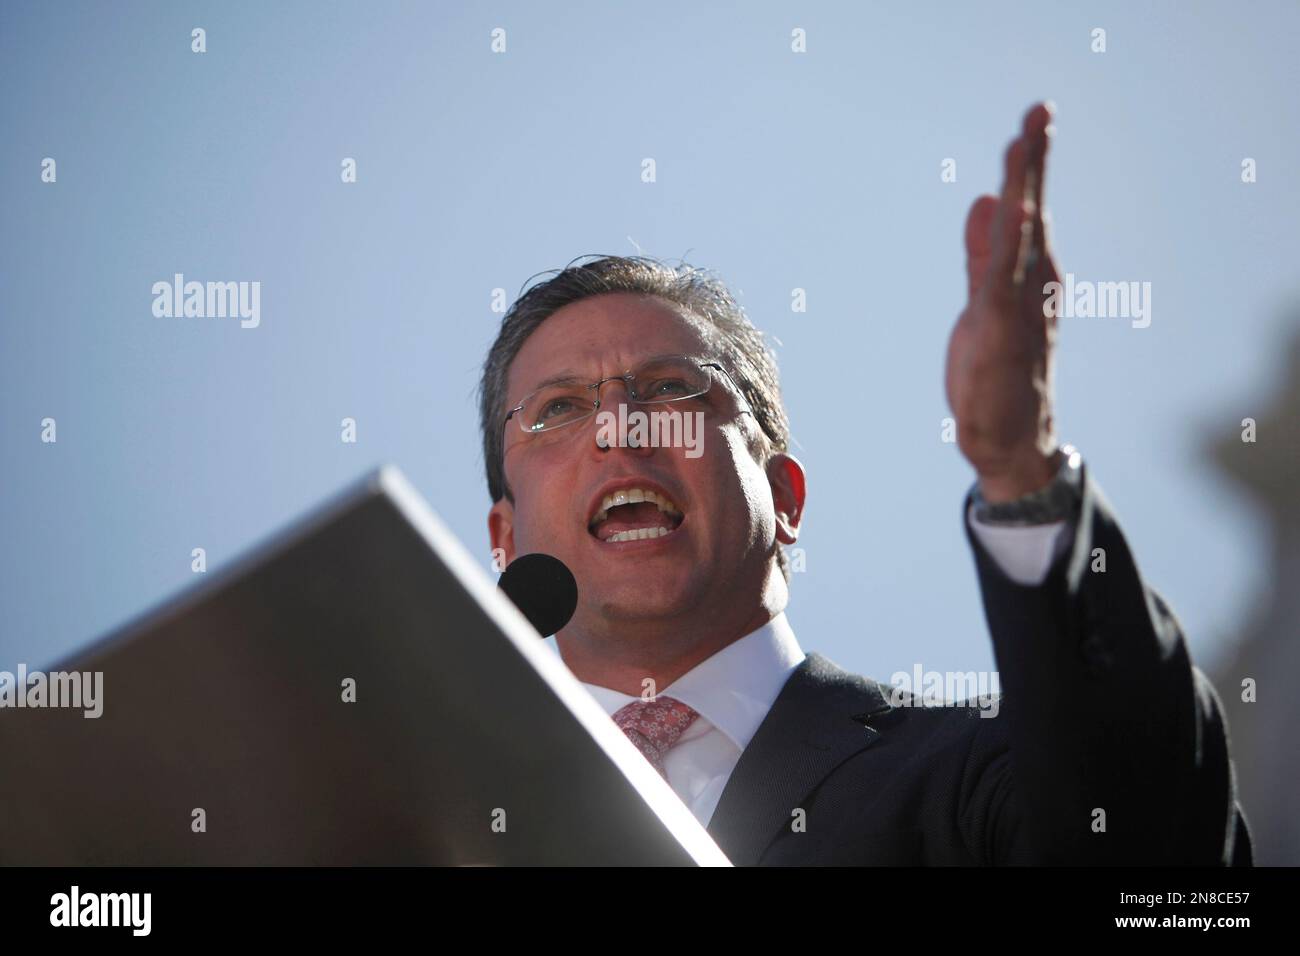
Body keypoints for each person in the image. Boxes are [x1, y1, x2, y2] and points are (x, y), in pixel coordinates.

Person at [477, 102, 1252, 865]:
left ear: (785, 499)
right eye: (561, 408)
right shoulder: (436, 818)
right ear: (504, 542)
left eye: (672, 388)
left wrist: (1022, 471)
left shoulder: (973, 773)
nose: (622, 426)